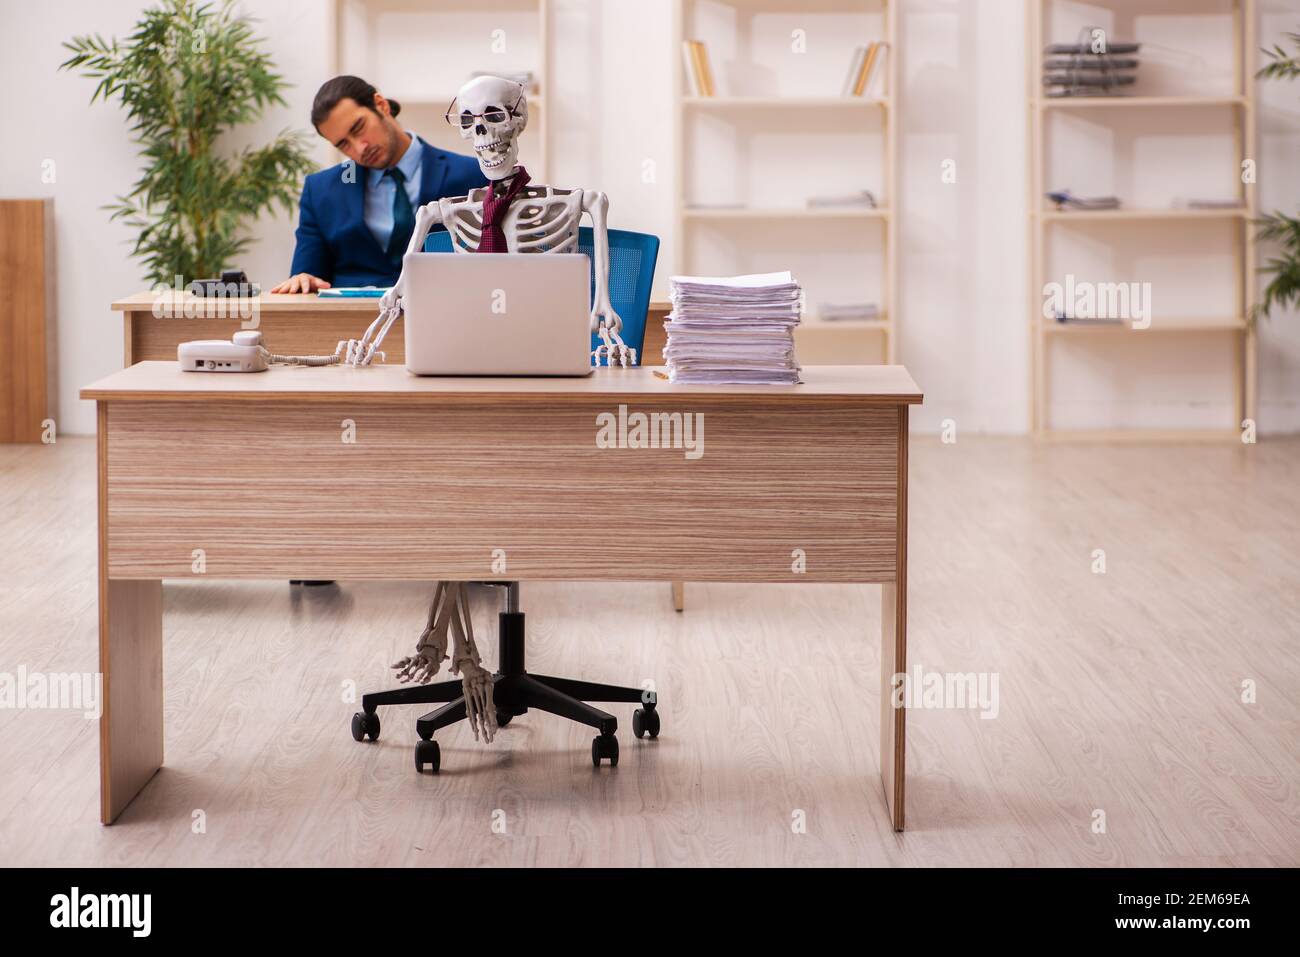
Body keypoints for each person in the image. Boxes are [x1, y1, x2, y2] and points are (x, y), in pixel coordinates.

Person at [272, 75, 487, 294]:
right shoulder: (320, 191)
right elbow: (306, 277)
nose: (359, 148)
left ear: (381, 105)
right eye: (343, 144)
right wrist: (301, 278)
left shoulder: (473, 175)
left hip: (443, 314)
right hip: (349, 322)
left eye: (358, 128)